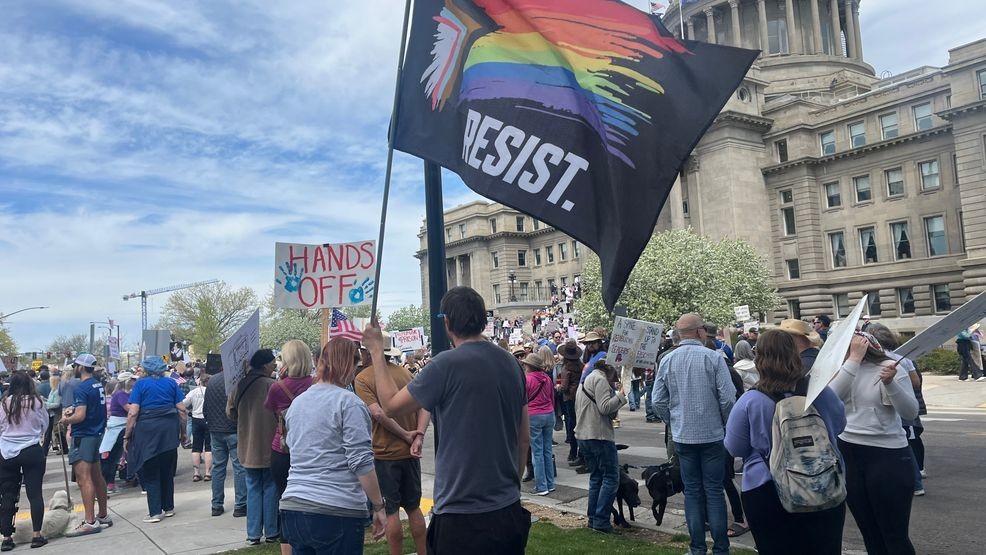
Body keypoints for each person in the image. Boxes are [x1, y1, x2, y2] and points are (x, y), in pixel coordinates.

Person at [362, 286, 531, 554]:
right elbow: (524, 437)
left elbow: (391, 406)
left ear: (447, 322)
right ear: (483, 320)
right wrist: (515, 484)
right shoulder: (511, 364)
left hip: (459, 512)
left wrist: (375, 352)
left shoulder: (444, 365)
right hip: (506, 508)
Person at [724, 330, 847, 554]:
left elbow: (735, 447)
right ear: (795, 355)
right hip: (823, 484)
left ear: (759, 359)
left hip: (767, 489)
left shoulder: (750, 401)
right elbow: (839, 426)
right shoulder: (821, 392)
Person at [279, 337, 386, 553]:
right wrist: (378, 505)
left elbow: (293, 449)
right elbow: (361, 462)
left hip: (294, 505)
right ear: (349, 365)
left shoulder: (298, 403)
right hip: (336, 508)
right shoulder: (349, 403)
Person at [652, 314, 736, 555]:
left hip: (683, 435)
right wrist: (723, 422)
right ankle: (721, 548)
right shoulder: (713, 358)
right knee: (713, 491)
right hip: (711, 435)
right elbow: (728, 397)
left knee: (692, 492)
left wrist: (673, 420)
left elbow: (658, 400)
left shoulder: (667, 360)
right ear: (700, 332)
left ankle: (697, 547)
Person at [830, 332, 919, 555]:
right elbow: (830, 398)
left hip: (887, 454)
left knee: (894, 534)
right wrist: (853, 361)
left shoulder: (890, 366)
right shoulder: (845, 369)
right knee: (869, 532)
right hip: (849, 450)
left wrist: (890, 383)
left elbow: (910, 411)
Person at [354, 334, 428, 555]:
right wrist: (419, 435)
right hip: (410, 452)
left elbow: (377, 413)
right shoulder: (406, 373)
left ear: (368, 352)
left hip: (385, 453)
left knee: (392, 510)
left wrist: (406, 435)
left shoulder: (363, 378)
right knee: (414, 508)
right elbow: (425, 404)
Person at [264, 340, 315, 555]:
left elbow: (271, 411)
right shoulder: (315, 384)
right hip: (311, 450)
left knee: (285, 502)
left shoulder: (277, 388)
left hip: (283, 450)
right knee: (312, 501)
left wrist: (282, 378)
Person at [124, 357, 186, 523]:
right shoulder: (172, 383)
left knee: (151, 470)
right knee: (167, 470)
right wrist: (183, 433)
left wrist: (127, 434)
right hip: (169, 430)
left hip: (148, 432)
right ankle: (169, 507)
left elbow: (133, 412)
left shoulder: (141, 385)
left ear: (146, 370)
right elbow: (182, 410)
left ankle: (155, 511)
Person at [227, 350, 278, 545]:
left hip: (247, 445)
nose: (275, 366)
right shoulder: (272, 386)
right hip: (269, 444)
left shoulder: (238, 386)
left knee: (253, 488)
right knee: (270, 487)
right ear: (265, 365)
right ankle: (272, 532)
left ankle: (253, 534)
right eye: (273, 363)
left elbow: (230, 413)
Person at [60, 354, 111, 536]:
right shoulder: (97, 384)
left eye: (75, 365)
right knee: (96, 475)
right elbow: (88, 408)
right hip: (96, 432)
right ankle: (103, 514)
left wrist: (67, 420)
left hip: (84, 434)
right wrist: (73, 409)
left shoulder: (81, 387)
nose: (73, 368)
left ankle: (90, 521)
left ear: (81, 367)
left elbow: (80, 416)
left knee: (84, 478)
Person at [575, 359, 627, 533]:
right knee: (611, 478)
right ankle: (601, 521)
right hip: (599, 435)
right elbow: (605, 408)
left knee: (596, 477)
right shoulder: (601, 380)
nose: (615, 379)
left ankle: (593, 518)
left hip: (584, 435)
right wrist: (621, 396)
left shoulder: (587, 379)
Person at [0, 372, 50, 550]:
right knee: (35, 493)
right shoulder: (37, 402)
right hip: (31, 449)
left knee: (7, 493)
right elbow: (45, 424)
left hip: (7, 452)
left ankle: (6, 537)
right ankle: (37, 535)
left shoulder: (5, 403)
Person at [203, 368, 246, 518]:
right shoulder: (236, 382)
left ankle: (216, 505)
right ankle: (240, 505)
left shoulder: (212, 381)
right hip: (233, 429)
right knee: (239, 467)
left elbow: (205, 407)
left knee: (218, 468)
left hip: (215, 430)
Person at [522, 353, 555, 496]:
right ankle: (550, 483)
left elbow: (522, 399)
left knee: (537, 452)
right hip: (549, 413)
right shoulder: (547, 378)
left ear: (529, 366)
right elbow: (552, 397)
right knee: (547, 450)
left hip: (534, 415)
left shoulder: (527, 379)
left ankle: (541, 486)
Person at [100, 371, 134, 494]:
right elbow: (130, 409)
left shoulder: (124, 394)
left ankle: (111, 483)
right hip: (118, 427)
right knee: (112, 456)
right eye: (132, 380)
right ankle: (107, 483)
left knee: (116, 456)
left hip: (122, 425)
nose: (134, 382)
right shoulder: (120, 394)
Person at [557, 342, 583, 466]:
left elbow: (564, 387)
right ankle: (582, 452)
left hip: (570, 398)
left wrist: (557, 387)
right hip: (581, 397)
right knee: (581, 424)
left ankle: (573, 452)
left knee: (572, 425)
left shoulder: (566, 368)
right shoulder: (582, 366)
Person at [183, 372, 212, 482]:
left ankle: (196, 473)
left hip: (196, 419)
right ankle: (208, 473)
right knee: (208, 447)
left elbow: (183, 403)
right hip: (208, 419)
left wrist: (188, 411)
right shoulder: (211, 391)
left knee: (196, 447)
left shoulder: (193, 392)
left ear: (199, 381)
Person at [43, 374, 66, 456]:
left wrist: (46, 404)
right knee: (54, 431)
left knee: (56, 431)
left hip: (55, 413)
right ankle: (64, 447)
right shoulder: (53, 391)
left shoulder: (56, 392)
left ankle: (45, 450)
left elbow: (57, 404)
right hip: (51, 413)